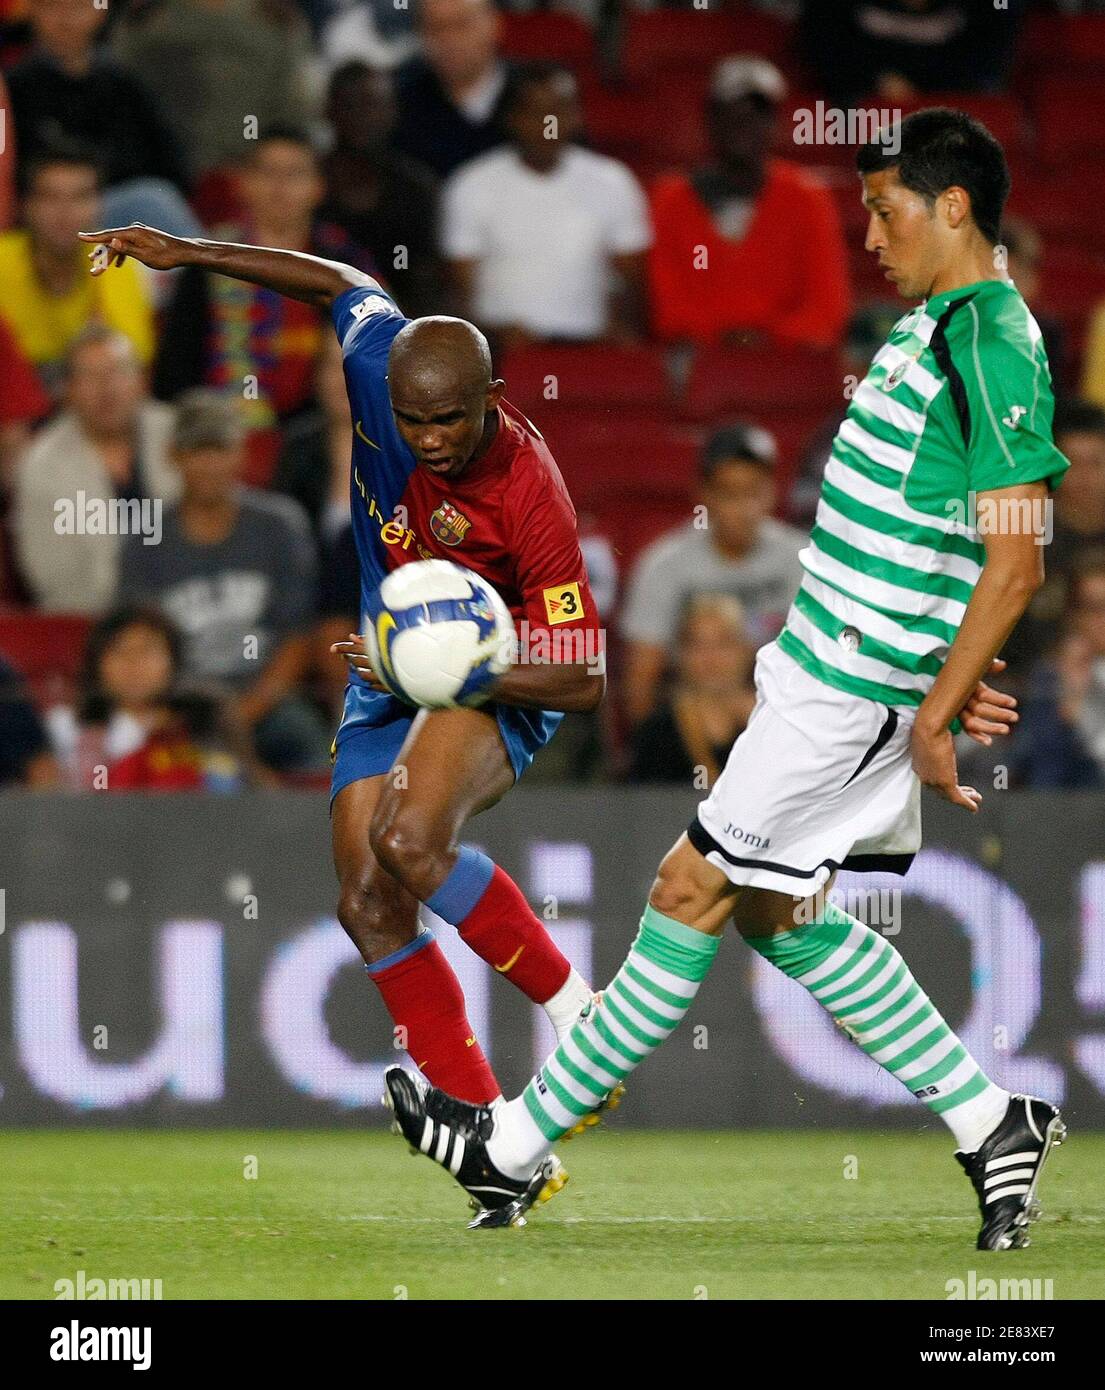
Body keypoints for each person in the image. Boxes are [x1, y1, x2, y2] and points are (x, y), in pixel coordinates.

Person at [382, 108, 1071, 1249]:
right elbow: (951, 540)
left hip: (848, 692)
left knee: (683, 892)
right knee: (772, 914)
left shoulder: (987, 339)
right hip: (832, 675)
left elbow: (1016, 557)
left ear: (954, 208)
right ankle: (990, 1119)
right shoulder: (936, 327)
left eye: (886, 211)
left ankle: (508, 1144)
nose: (869, 236)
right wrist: (940, 670)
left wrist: (935, 708)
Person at [79, 214, 607, 1180]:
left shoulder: (531, 494)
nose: (429, 440)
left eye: (449, 419)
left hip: (499, 679)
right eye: (412, 421)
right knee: (367, 902)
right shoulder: (377, 357)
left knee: (408, 843)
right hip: (391, 665)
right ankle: (503, 1149)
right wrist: (187, 252)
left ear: (490, 398)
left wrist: (460, 672)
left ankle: (581, 1018)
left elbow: (583, 675)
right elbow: (332, 279)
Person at [116, 389, 327, 774]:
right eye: (198, 450)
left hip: (269, 704)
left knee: (318, 763)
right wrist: (180, 716)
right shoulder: (145, 540)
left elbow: (298, 635)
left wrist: (245, 712)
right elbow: (136, 639)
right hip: (177, 712)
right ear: (174, 456)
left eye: (221, 449)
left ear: (241, 453)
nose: (210, 464)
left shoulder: (279, 525)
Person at [153, 125, 373, 485]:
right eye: (267, 173)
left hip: (318, 447)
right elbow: (175, 372)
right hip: (216, 443)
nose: (280, 187)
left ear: (318, 188)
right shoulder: (207, 259)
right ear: (243, 183)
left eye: (294, 174)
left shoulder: (346, 265)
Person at [442, 61, 651, 351]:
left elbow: (633, 283)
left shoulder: (613, 181)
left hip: (589, 351)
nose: (547, 123)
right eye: (535, 112)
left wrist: (620, 341)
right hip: (501, 354)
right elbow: (457, 293)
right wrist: (493, 336)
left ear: (577, 116)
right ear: (512, 118)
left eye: (559, 110)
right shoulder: (471, 184)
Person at [647, 56, 850, 350]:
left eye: (756, 114)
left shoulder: (807, 196)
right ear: (710, 119)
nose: (743, 124)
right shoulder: (672, 198)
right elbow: (667, 308)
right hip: (698, 360)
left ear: (774, 123)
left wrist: (765, 342)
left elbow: (827, 309)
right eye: (730, 113)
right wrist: (725, 342)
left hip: (788, 359)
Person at [620, 421, 805, 727]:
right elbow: (641, 684)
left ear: (772, 492)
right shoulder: (665, 564)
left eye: (754, 492)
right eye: (730, 493)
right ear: (705, 494)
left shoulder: (802, 560)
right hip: (688, 725)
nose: (744, 508)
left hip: (782, 719)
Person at [13, 326, 179, 615]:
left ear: (142, 380)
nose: (108, 388)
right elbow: (55, 579)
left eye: (118, 371)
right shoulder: (41, 465)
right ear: (68, 391)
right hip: (96, 623)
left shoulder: (179, 435)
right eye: (90, 376)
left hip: (191, 609)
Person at [7, 0, 199, 238]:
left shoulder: (125, 85)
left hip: (115, 211)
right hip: (38, 212)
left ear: (100, 12)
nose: (65, 20)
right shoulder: (13, 88)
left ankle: (200, 269)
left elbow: (172, 166)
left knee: (153, 200)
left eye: (77, 8)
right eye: (52, 7)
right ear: (33, 12)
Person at [46, 604, 249, 792]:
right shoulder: (64, 726)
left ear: (173, 661)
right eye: (119, 651)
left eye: (148, 651)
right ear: (96, 663)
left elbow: (241, 785)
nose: (133, 664)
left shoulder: (205, 720)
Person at [0, 146, 154, 393]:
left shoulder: (115, 261)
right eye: (50, 197)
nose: (65, 211)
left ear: (100, 205)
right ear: (26, 206)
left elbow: (135, 371)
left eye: (80, 197)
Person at [318, 61, 443, 319]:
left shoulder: (416, 188)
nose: (362, 116)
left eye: (374, 105)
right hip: (313, 321)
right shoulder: (309, 183)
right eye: (350, 105)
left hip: (394, 326)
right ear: (329, 110)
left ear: (392, 112)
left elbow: (423, 281)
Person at [627, 594, 756, 787]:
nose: (710, 658)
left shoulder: (778, 722)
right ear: (680, 656)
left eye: (724, 643)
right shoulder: (658, 731)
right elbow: (644, 805)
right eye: (697, 645)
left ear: (746, 649)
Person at [392, 0, 514, 179]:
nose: (449, 39)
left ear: (495, 25)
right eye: (435, 27)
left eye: (462, 25)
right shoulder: (399, 105)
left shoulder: (539, 98)